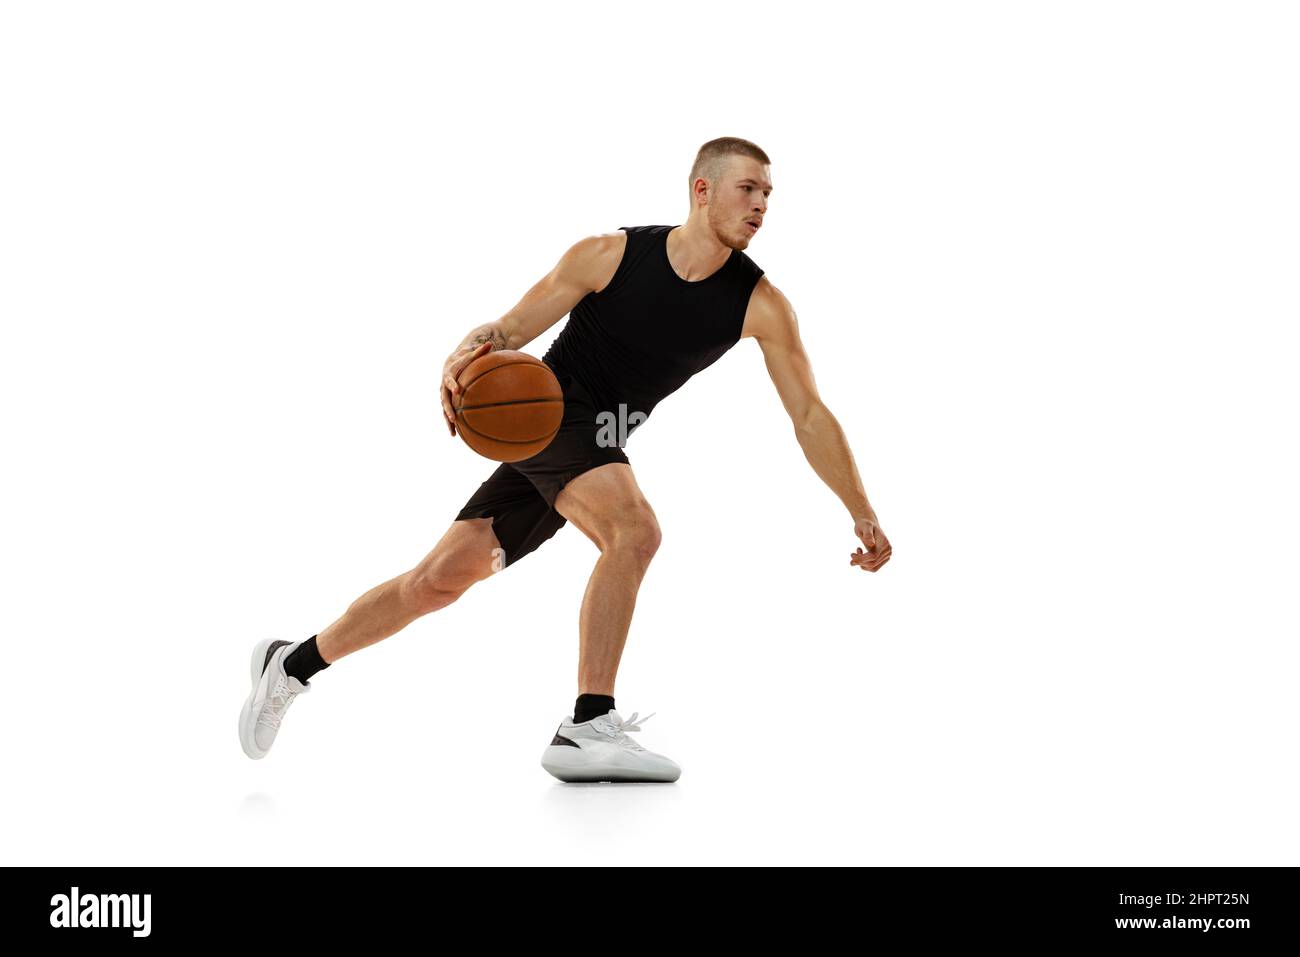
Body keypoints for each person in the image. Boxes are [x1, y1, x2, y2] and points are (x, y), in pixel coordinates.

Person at [238, 137, 892, 781]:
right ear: (702, 190)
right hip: (548, 412)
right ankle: (588, 723)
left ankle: (290, 663)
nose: (761, 205)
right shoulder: (610, 255)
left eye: (768, 194)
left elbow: (809, 414)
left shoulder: (761, 304)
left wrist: (860, 510)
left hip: (589, 444)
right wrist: (459, 358)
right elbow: (507, 331)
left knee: (435, 580)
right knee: (635, 530)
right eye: (748, 188)